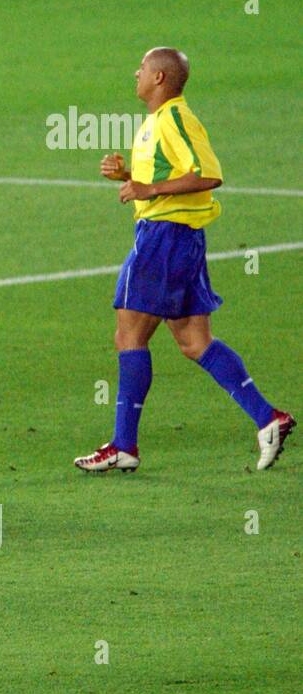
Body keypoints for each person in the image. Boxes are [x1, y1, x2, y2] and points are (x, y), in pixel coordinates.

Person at [74, 47, 294, 473]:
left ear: (159, 79)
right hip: (179, 239)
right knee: (195, 342)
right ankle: (269, 419)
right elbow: (169, 175)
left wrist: (147, 191)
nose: (135, 73)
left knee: (128, 334)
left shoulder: (175, 117)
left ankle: (124, 445)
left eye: (142, 68)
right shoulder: (155, 122)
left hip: (165, 238)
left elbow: (208, 174)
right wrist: (129, 177)